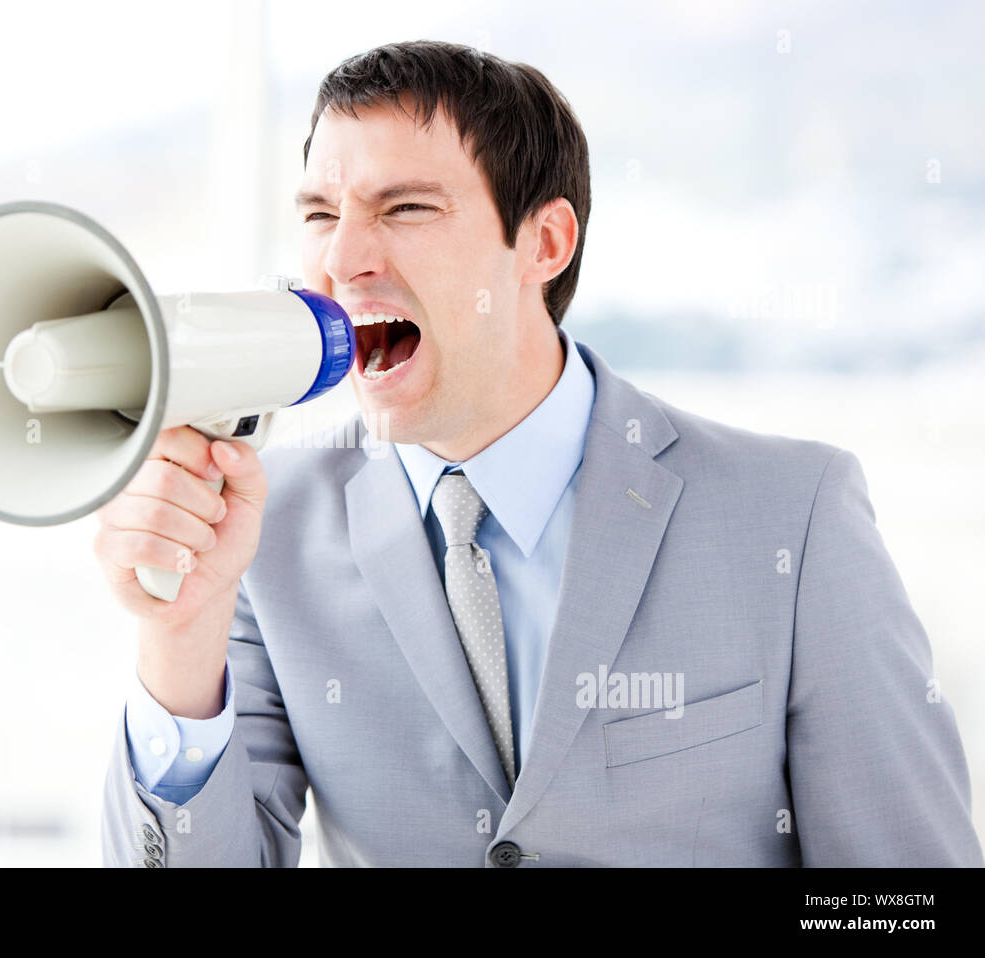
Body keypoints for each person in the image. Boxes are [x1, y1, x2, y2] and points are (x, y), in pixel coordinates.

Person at [94, 40, 982, 867]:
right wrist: (179, 637)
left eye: (404, 208)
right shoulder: (264, 532)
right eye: (321, 213)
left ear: (545, 244)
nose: (342, 257)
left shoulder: (794, 513)